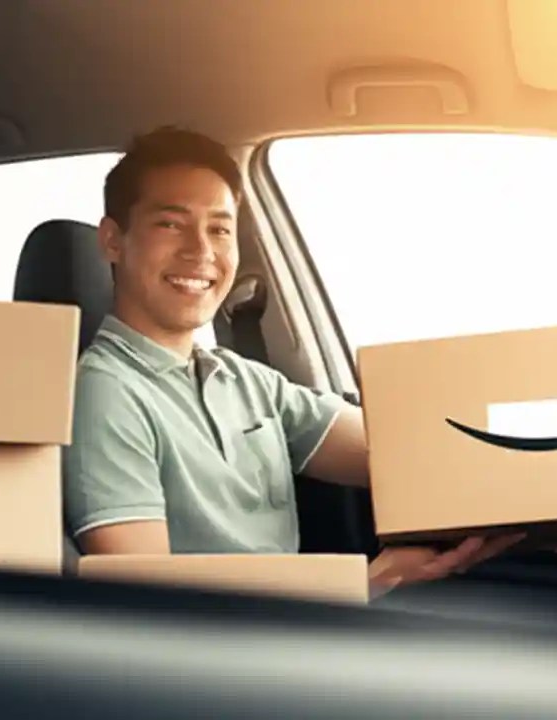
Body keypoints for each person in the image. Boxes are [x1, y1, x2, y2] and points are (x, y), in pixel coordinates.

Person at [63, 126, 524, 597]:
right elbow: (144, 598)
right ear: (113, 241)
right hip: (224, 660)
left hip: (298, 635)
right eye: (171, 224)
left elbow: (407, 453)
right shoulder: (102, 394)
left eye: (220, 229)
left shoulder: (247, 382)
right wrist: (376, 580)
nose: (200, 251)